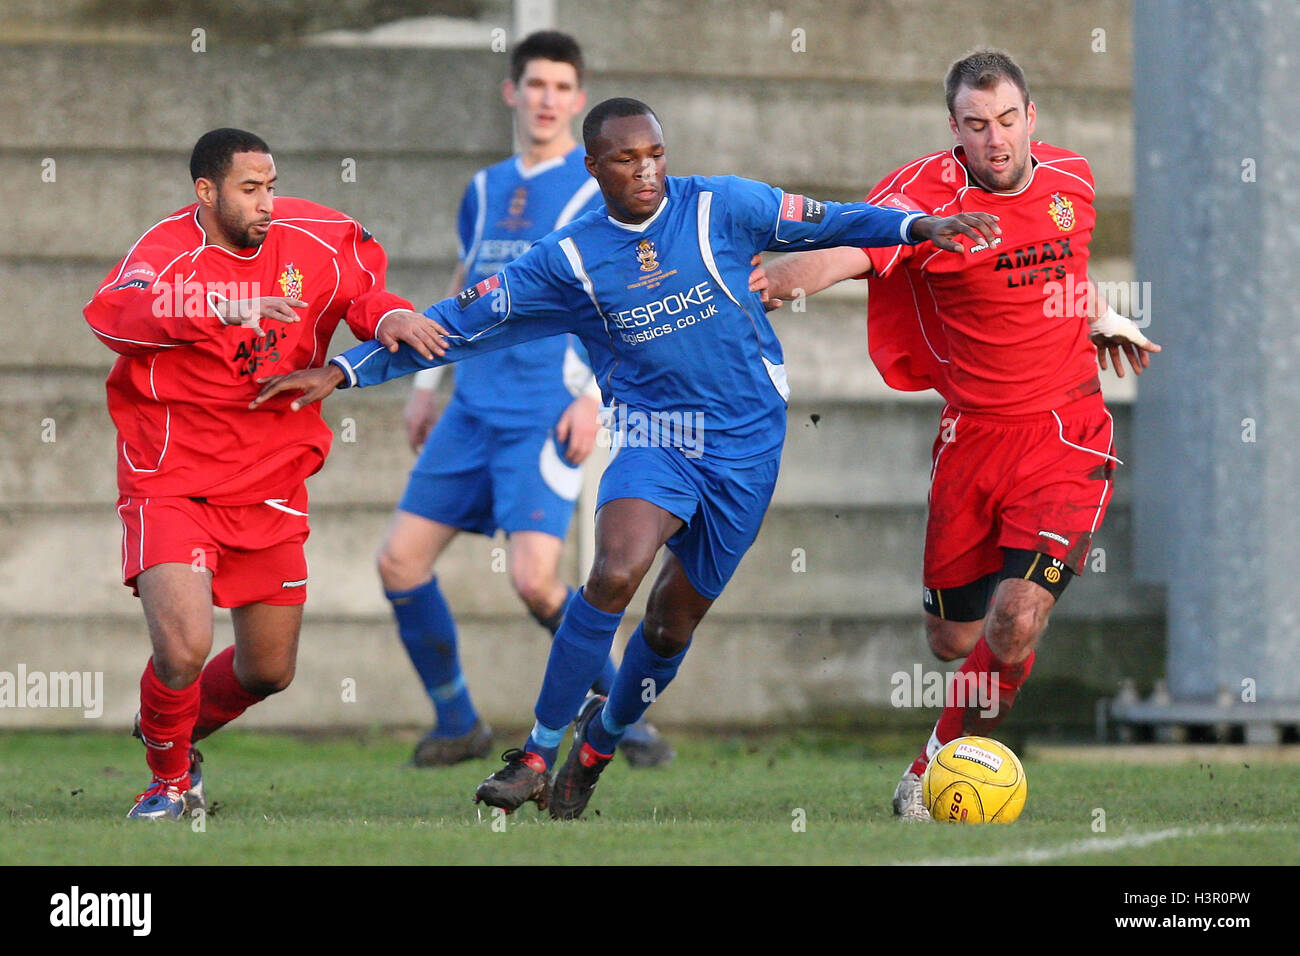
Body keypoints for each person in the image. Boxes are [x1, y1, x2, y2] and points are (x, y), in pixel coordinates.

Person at [252, 97, 998, 819]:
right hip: (656, 436)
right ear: (594, 167)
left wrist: (916, 224)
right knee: (613, 571)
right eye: (625, 159)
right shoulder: (570, 257)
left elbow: (829, 219)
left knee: (670, 628)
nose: (646, 171)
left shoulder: (721, 206)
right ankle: (537, 756)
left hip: (747, 444)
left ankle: (598, 743)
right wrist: (346, 372)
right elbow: (458, 323)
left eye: (655, 154)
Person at [760, 49, 1161, 820]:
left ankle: (932, 765)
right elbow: (856, 249)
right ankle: (995, 672)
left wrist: (1103, 317)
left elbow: (1065, 270)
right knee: (952, 639)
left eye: (1009, 120)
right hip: (972, 440)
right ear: (955, 129)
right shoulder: (926, 201)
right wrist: (789, 275)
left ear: (1031, 117)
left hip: (1068, 434)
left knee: (1015, 619)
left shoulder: (1073, 180)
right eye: (977, 125)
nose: (996, 139)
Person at [85, 127, 442, 819]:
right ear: (207, 192)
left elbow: (363, 294)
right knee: (184, 650)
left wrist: (392, 314)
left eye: (271, 186)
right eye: (250, 190)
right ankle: (167, 781)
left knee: (268, 671)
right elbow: (114, 317)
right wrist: (216, 306)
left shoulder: (315, 236)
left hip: (272, 481)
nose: (267, 202)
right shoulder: (166, 253)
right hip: (172, 477)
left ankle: (168, 725)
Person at [379, 31, 671, 769]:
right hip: (471, 407)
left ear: (578, 99)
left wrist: (591, 399)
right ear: (513, 92)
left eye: (561, 88)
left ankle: (625, 722)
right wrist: (426, 384)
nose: (546, 99)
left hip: (546, 409)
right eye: (534, 85)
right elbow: (462, 284)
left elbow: (629, 294)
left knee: (535, 581)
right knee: (399, 564)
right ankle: (458, 724)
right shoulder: (482, 188)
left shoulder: (594, 184)